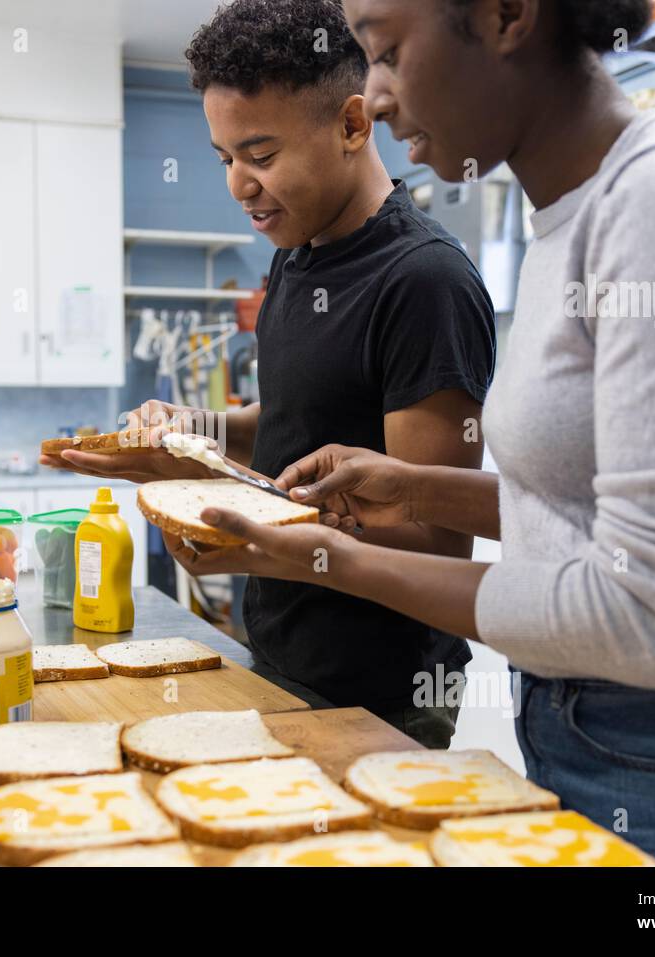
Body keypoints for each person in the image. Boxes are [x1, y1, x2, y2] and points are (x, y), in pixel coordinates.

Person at [167, 0, 655, 865]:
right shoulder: (565, 215)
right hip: (593, 733)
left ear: (509, 15)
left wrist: (319, 555)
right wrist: (413, 484)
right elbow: (583, 517)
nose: (378, 95)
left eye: (389, 51)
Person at [46, 0, 496, 749]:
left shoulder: (424, 283)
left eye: (260, 155)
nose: (238, 185)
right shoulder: (298, 250)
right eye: (224, 158)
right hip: (286, 657)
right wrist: (194, 439)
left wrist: (266, 542)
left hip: (386, 691)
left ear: (353, 126)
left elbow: (437, 543)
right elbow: (295, 423)